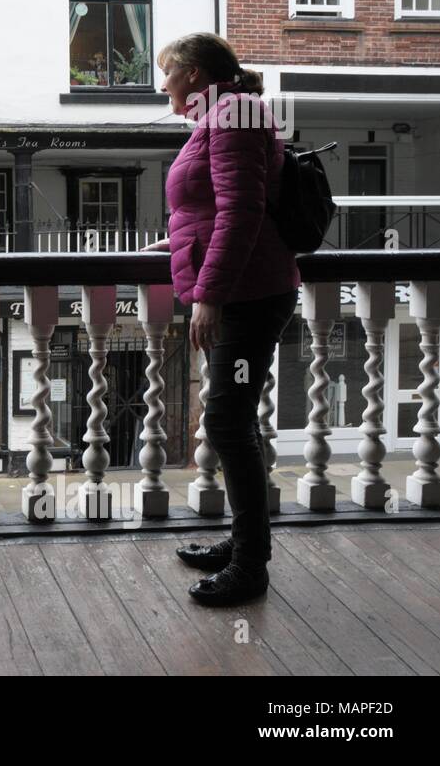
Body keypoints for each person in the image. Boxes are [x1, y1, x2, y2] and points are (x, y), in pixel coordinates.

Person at [143, 32, 301, 608]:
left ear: (194, 73)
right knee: (234, 426)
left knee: (228, 426)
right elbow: (210, 205)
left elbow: (242, 209)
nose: (164, 86)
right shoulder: (228, 114)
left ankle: (250, 568)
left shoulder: (233, 113)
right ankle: (241, 544)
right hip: (242, 290)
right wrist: (177, 242)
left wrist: (208, 294)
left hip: (247, 297)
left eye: (168, 73)